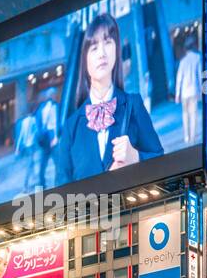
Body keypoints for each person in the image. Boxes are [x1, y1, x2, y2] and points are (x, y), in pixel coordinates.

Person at [53, 13, 164, 187]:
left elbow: (161, 161)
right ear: (85, 59)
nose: (102, 53)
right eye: (94, 47)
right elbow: (61, 189)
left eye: (108, 42)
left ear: (116, 49)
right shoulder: (71, 126)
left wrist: (136, 157)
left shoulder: (133, 105)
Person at [174, 33, 203, 145]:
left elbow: (179, 78)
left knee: (185, 114)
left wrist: (177, 94)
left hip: (184, 93)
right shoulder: (197, 58)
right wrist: (202, 91)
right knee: (193, 114)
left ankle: (186, 136)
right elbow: (200, 75)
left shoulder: (182, 61)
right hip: (194, 91)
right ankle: (193, 137)